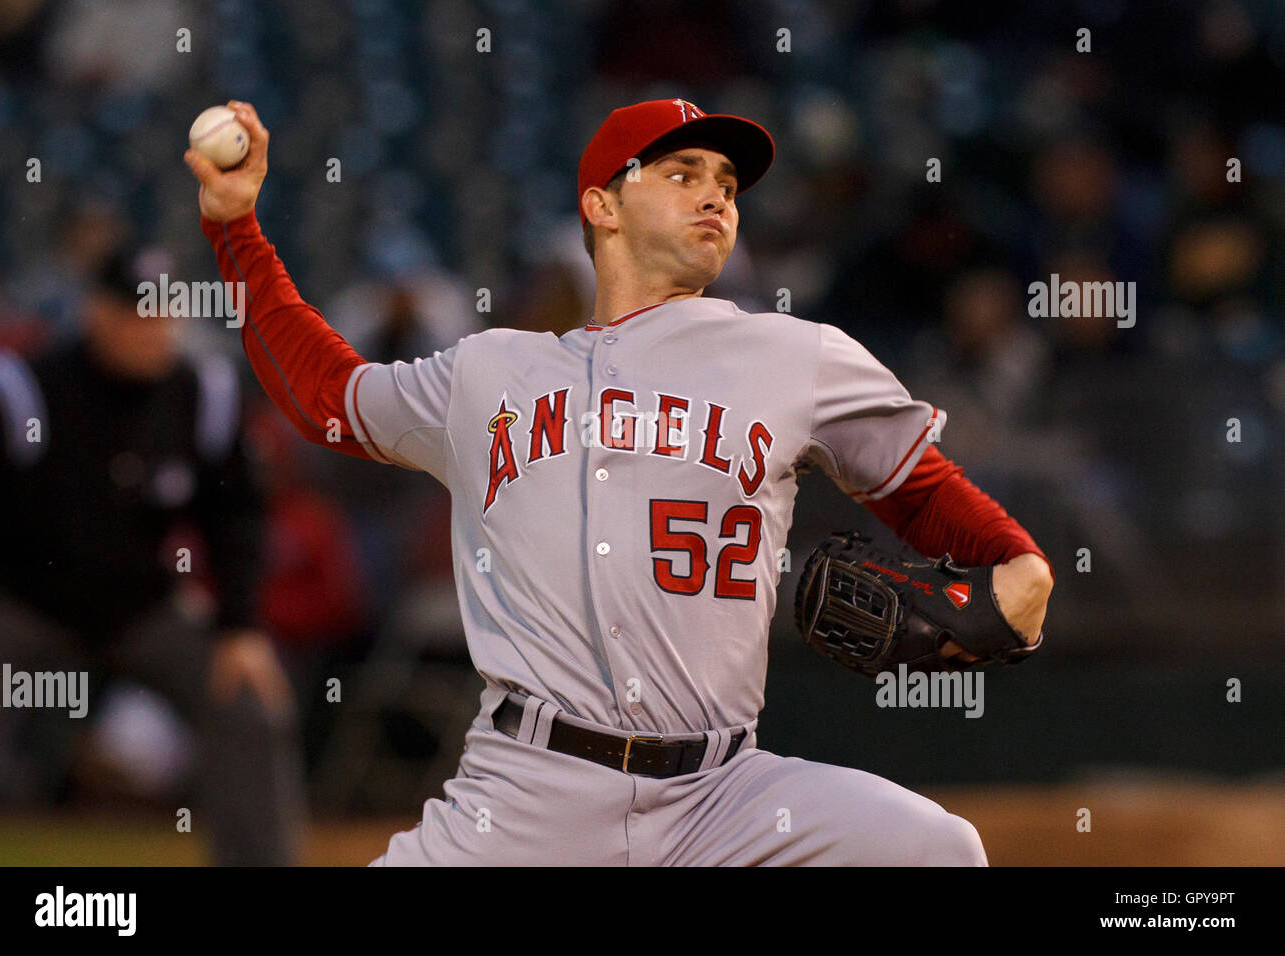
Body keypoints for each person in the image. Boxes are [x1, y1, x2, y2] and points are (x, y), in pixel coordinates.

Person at [185, 98, 1053, 866]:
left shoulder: (799, 357)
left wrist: (1016, 563)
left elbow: (919, 488)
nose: (716, 193)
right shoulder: (487, 373)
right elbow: (326, 394)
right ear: (601, 205)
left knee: (936, 851)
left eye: (726, 183)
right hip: (528, 795)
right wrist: (236, 230)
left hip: (726, 799)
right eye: (682, 173)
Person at [0, 244, 303, 865]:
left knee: (247, 699)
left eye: (161, 313)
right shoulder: (23, 389)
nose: (148, 329)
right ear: (94, 313)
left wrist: (240, 626)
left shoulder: (200, 394)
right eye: (133, 312)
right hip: (22, 604)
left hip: (141, 606)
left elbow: (236, 515)